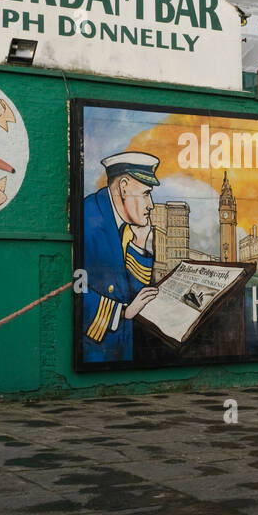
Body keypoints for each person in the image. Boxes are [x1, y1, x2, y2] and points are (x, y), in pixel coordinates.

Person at [81, 151, 162, 363]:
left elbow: (131, 292)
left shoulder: (123, 225)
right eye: (145, 194)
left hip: (120, 345)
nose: (150, 204)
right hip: (95, 351)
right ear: (124, 187)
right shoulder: (88, 219)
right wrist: (123, 310)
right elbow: (74, 288)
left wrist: (138, 245)